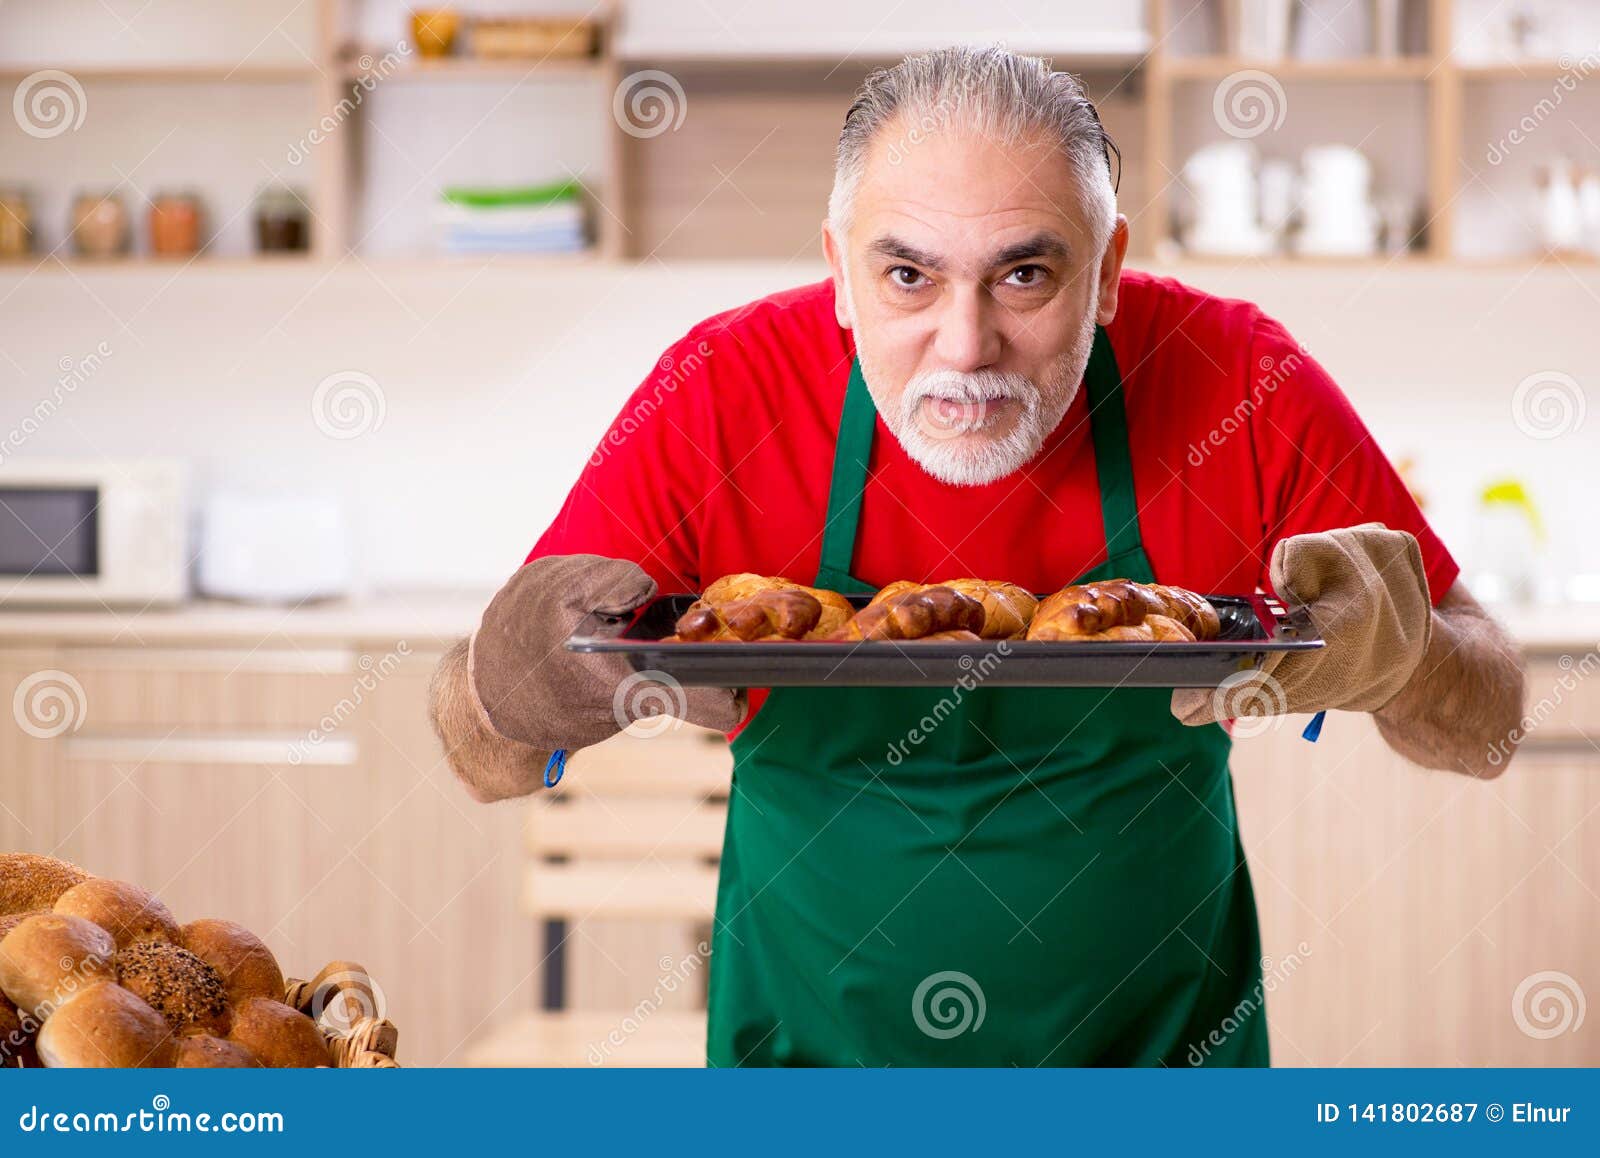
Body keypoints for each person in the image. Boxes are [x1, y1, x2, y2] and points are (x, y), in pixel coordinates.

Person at [430, 46, 1525, 1067]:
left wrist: (1404, 655)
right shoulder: (725, 392)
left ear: (1104, 275)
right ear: (838, 273)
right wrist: (531, 678)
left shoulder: (1234, 379)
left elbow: (1492, 721)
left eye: (1024, 277)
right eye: (906, 276)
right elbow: (475, 752)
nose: (964, 345)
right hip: (808, 1070)